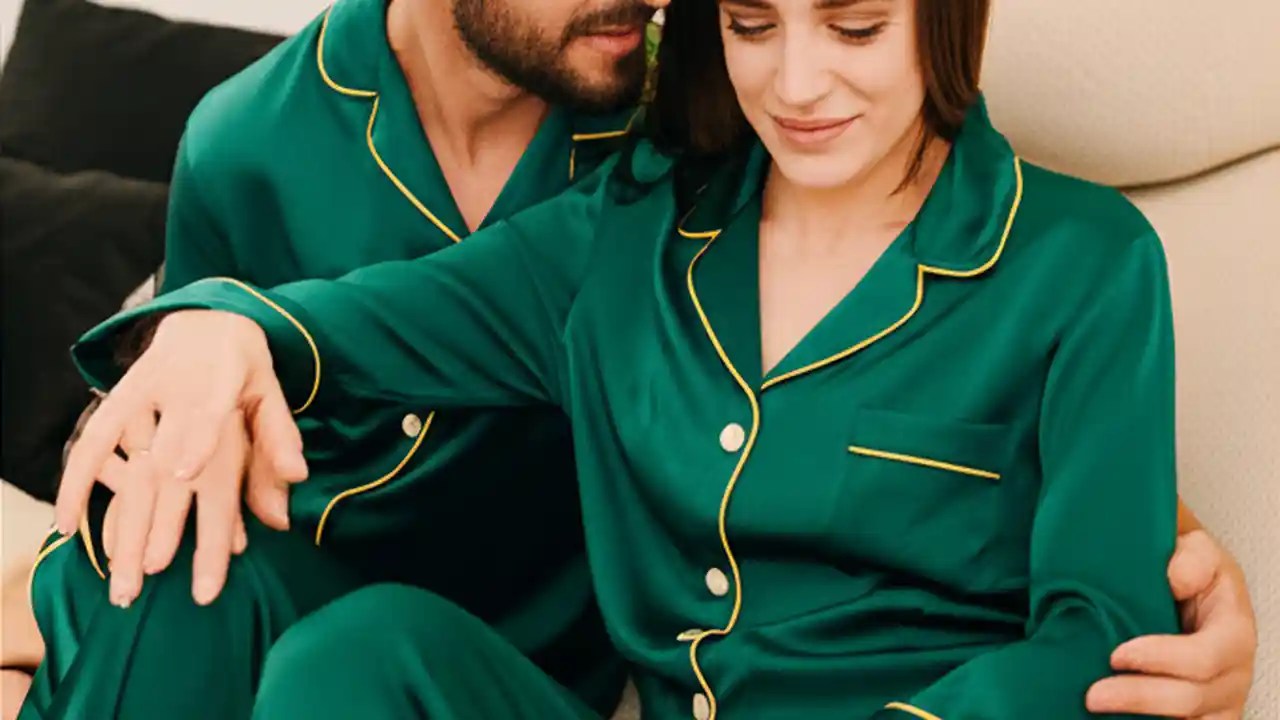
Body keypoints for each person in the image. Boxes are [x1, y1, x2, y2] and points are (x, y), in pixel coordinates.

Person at [28, 0, 1261, 718]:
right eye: (750, 23)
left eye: (853, 24)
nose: (797, 79)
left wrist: (1160, 561)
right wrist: (216, 326)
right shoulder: (638, 221)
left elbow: (1088, 597)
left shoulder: (1080, 256)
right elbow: (368, 315)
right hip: (405, 628)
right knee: (326, 640)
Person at [9, 0, 663, 716]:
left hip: (511, 675)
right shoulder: (242, 144)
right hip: (271, 618)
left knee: (348, 653)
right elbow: (157, 448)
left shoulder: (694, 129)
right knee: (179, 558)